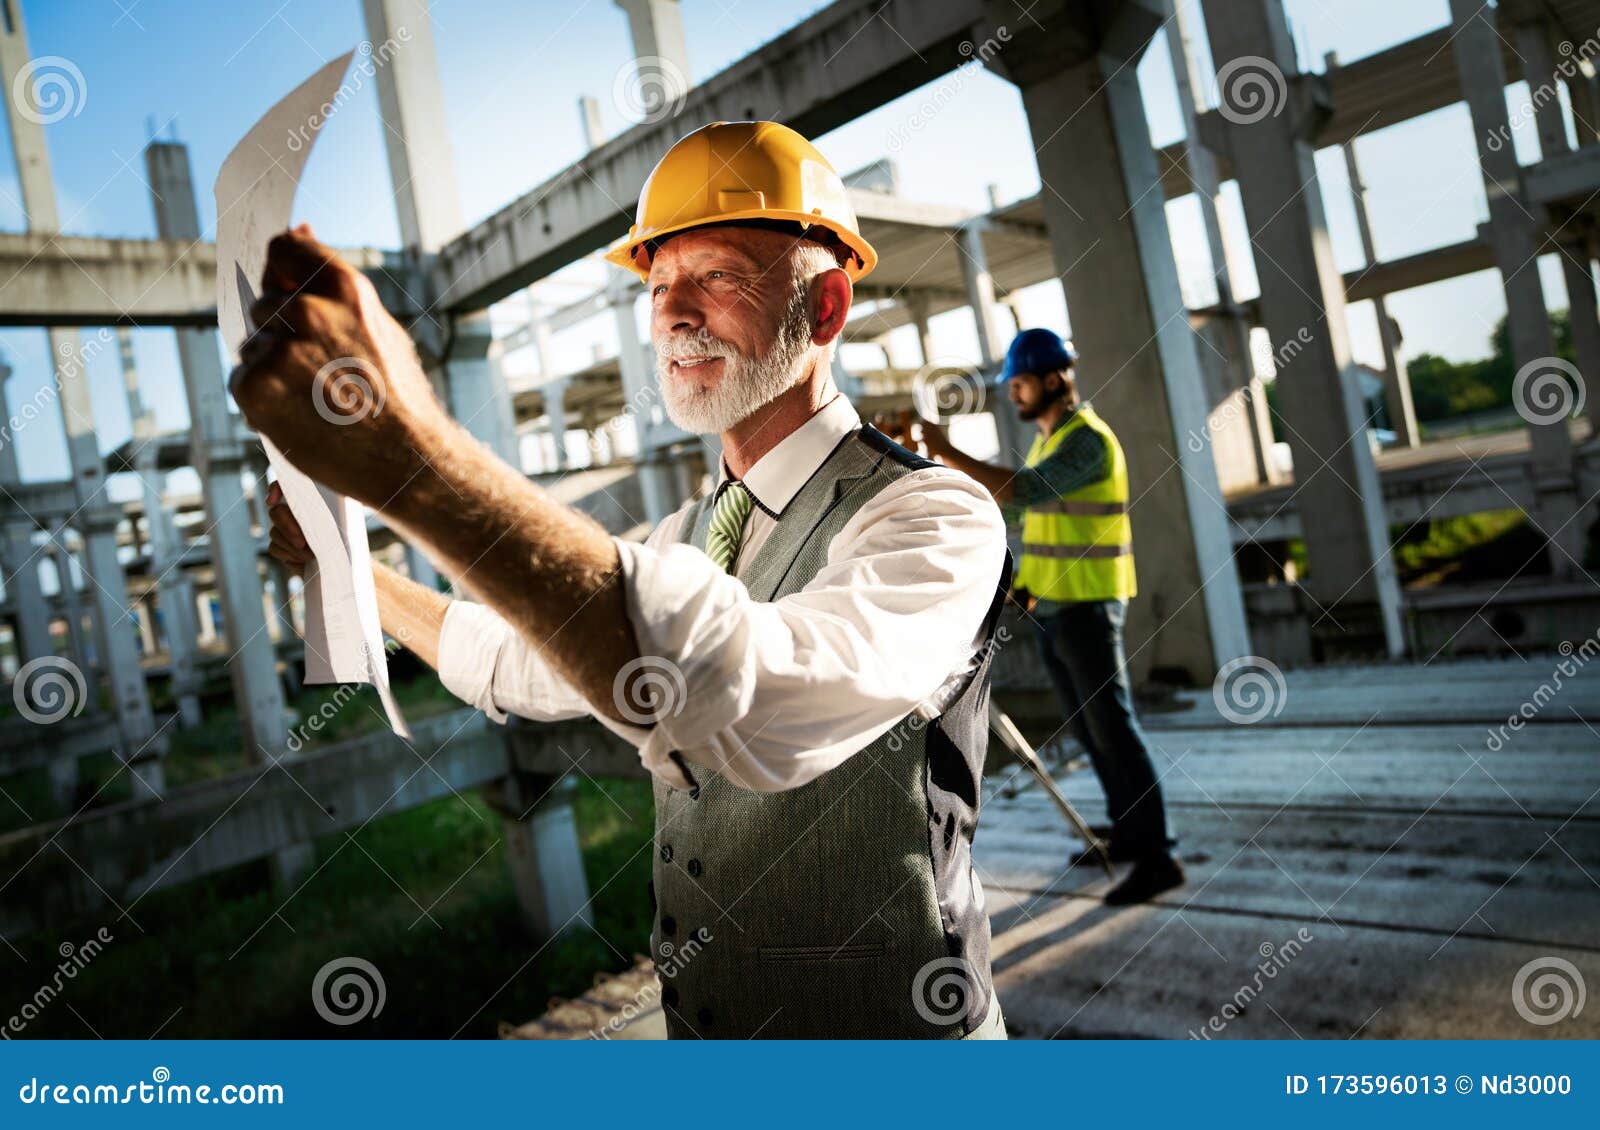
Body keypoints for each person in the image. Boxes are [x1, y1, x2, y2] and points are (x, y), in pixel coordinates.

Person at [241, 121, 1012, 1039]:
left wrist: (416, 465)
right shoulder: (690, 534)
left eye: (718, 276)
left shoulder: (934, 517)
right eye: (658, 287)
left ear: (828, 308)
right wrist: (354, 575)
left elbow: (755, 695)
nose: (676, 313)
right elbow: (515, 657)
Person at [897, 328, 1184, 906]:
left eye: (1022, 383)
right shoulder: (1051, 440)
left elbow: (1026, 493)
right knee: (1088, 727)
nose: (1015, 394)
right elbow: (1048, 521)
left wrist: (944, 448)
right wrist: (1026, 585)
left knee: (1113, 727)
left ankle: (1157, 856)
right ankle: (1128, 831)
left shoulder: (1087, 442)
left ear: (1054, 379)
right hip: (1056, 604)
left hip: (1088, 605)